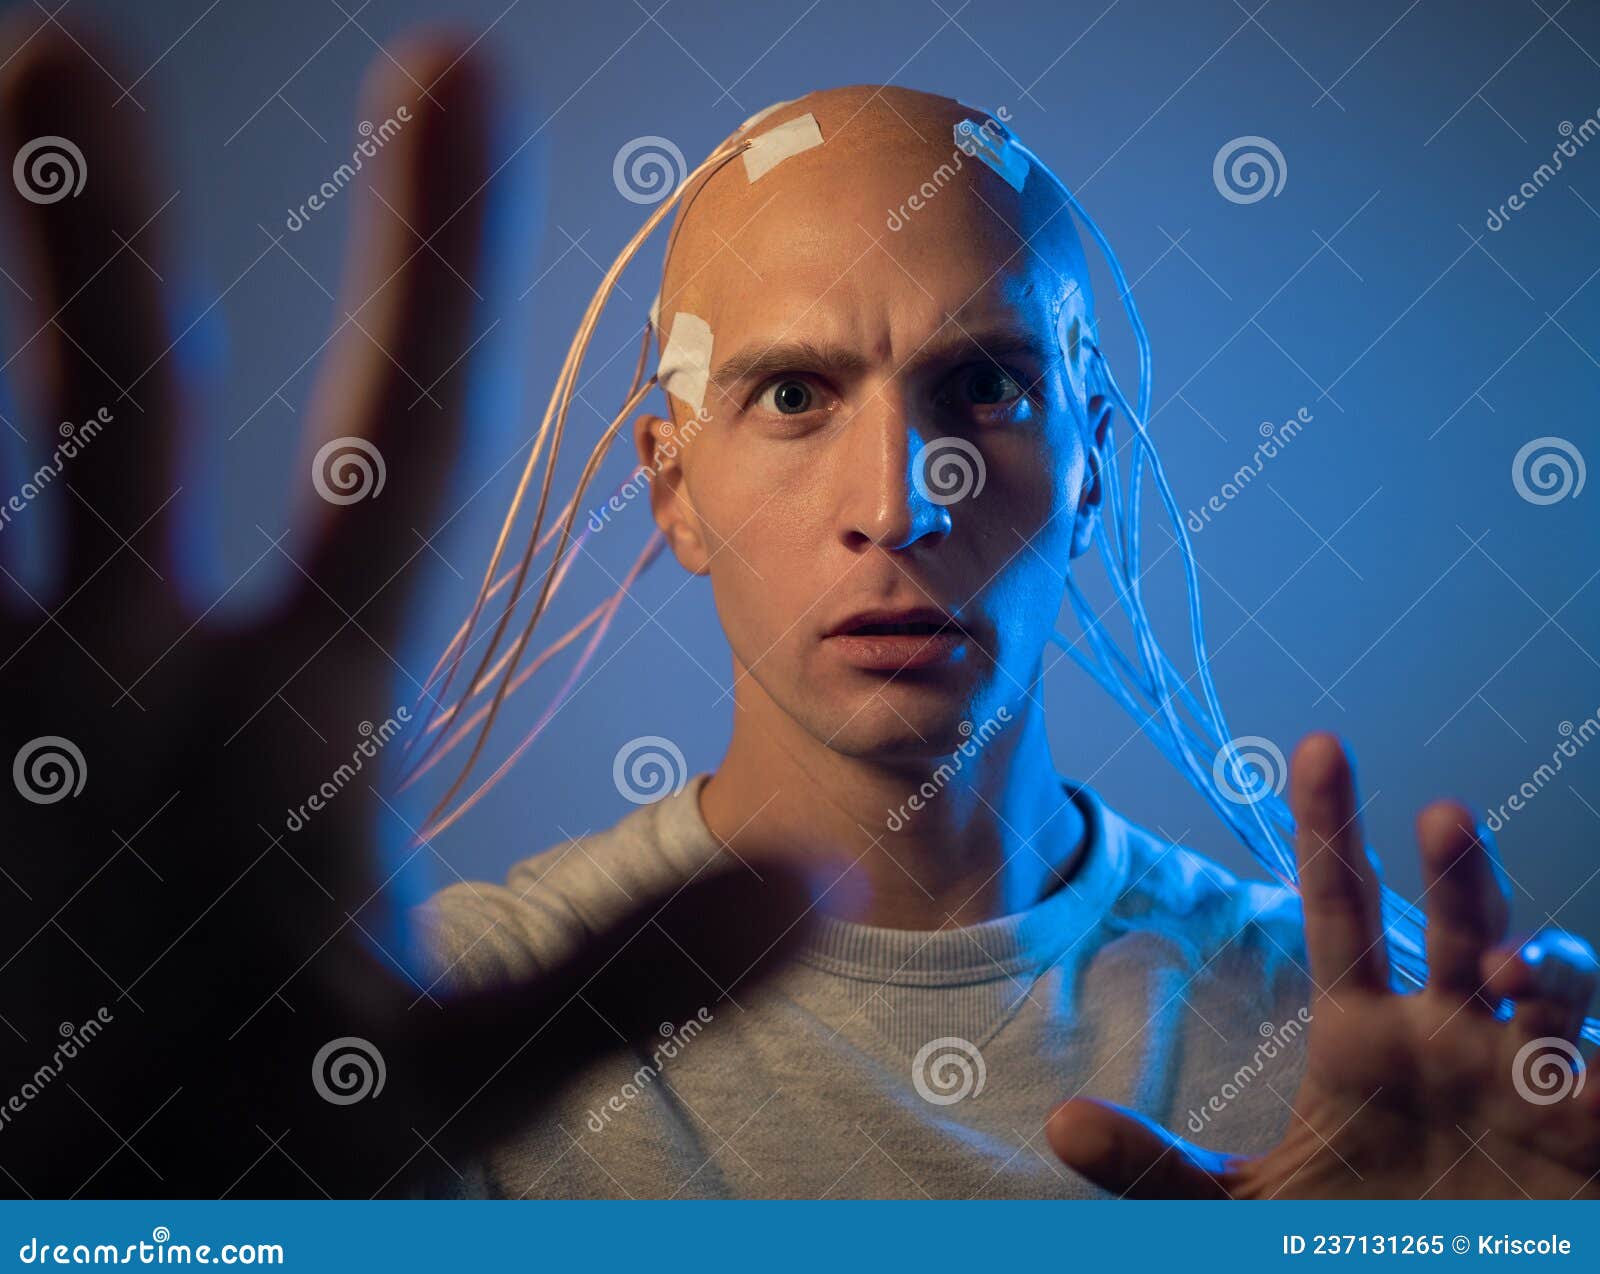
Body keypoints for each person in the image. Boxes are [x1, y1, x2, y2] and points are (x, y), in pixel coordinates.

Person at [0, 17, 1593, 1202]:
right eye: (791, 391)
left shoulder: (1366, 1035)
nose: (899, 501)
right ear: (670, 481)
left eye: (983, 385)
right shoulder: (427, 1027)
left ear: (1094, 461)